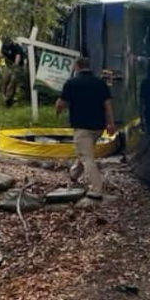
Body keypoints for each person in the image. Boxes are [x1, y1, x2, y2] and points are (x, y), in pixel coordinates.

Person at [55, 57, 116, 199]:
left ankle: (96, 189)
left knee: (87, 157)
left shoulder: (71, 83)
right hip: (98, 127)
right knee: (84, 152)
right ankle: (74, 174)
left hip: (82, 127)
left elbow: (61, 104)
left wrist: (57, 111)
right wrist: (111, 123)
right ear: (89, 66)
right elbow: (107, 105)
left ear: (76, 67)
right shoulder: (100, 83)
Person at [0, 36, 27, 107]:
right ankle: (3, 96)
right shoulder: (4, 46)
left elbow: (18, 56)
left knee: (13, 81)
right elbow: (3, 55)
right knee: (5, 79)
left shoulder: (16, 46)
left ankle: (9, 99)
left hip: (17, 65)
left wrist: (15, 65)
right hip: (8, 64)